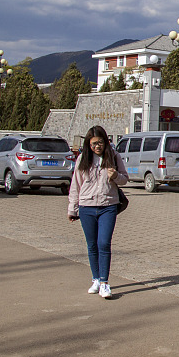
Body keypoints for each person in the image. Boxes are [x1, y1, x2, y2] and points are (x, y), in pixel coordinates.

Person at [67, 125, 129, 299]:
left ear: (106, 141)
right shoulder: (82, 159)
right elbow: (75, 185)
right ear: (88, 144)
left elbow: (124, 179)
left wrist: (115, 175)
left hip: (108, 206)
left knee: (104, 243)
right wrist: (73, 209)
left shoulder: (114, 156)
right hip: (86, 207)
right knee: (92, 245)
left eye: (100, 143)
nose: (97, 147)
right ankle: (95, 279)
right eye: (93, 144)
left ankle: (104, 283)